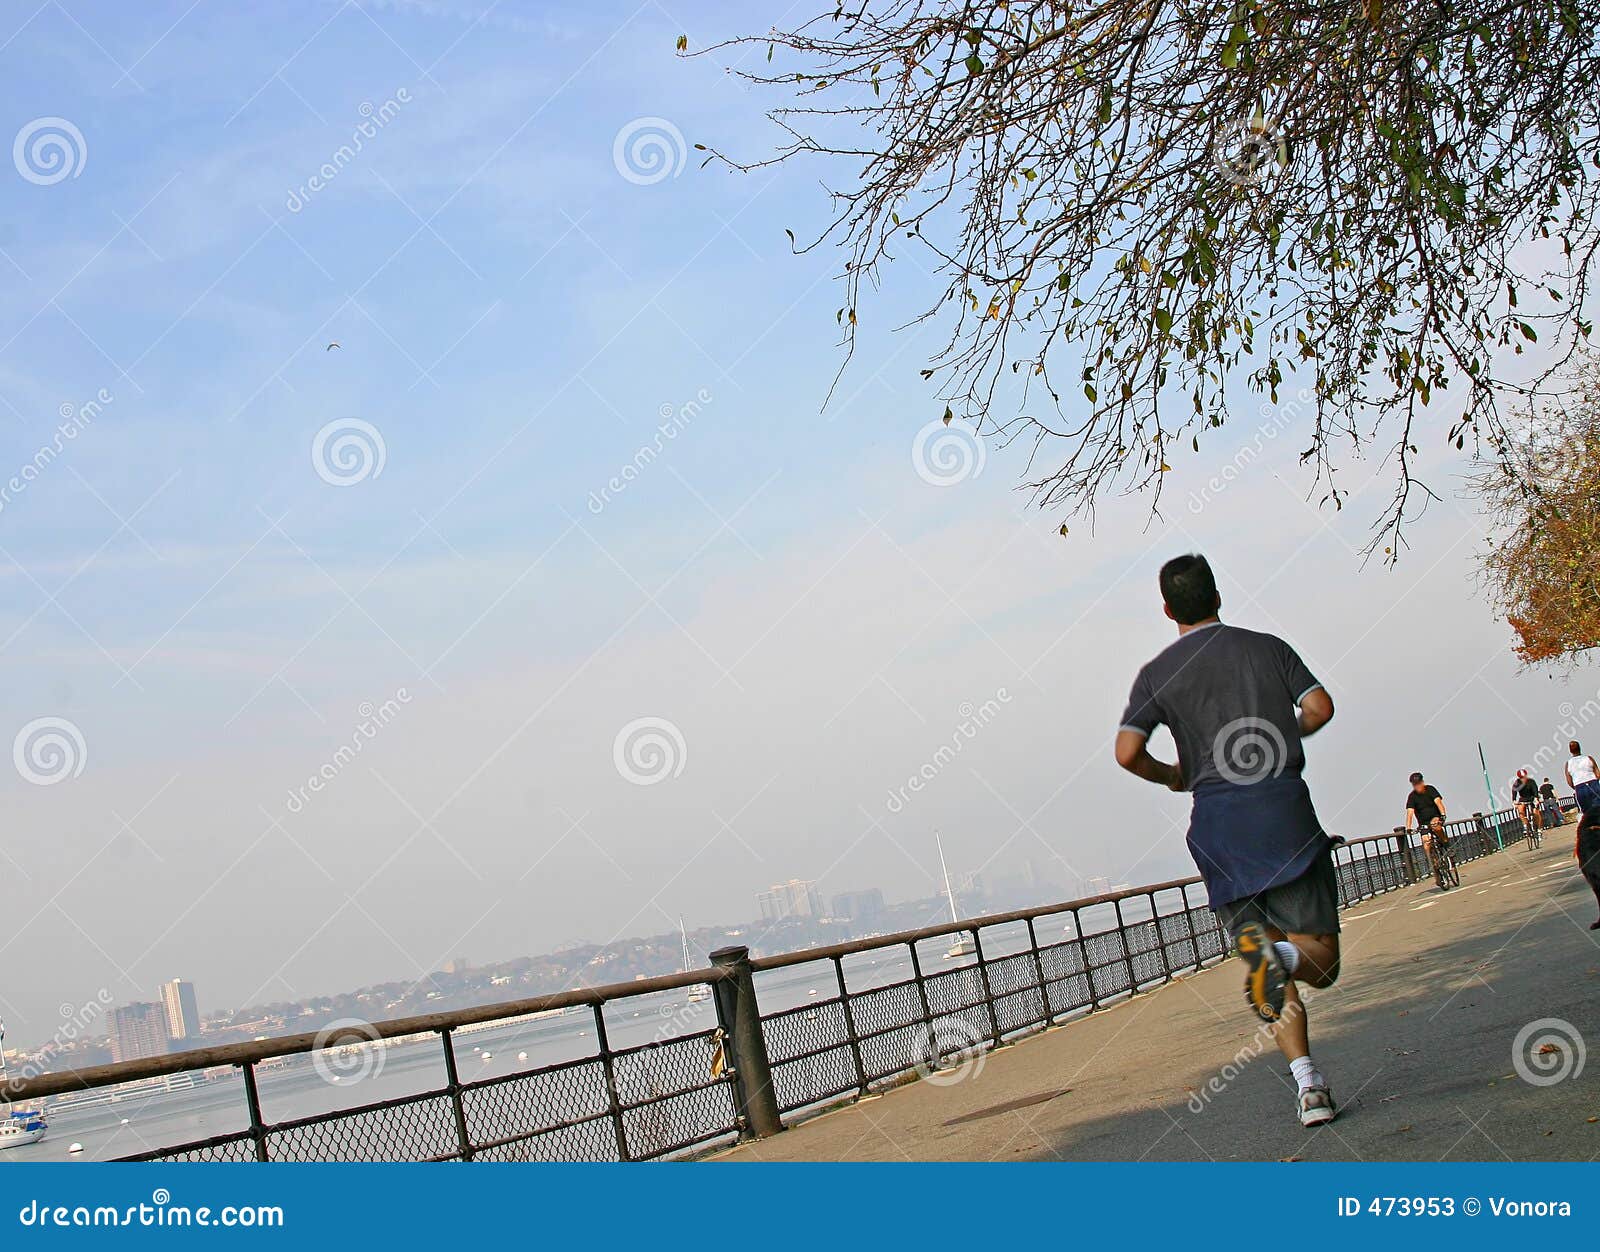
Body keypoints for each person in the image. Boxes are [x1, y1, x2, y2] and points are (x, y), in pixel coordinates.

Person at [1115, 554, 1340, 1129]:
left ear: (1167, 610)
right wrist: (1288, 732)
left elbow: (1127, 753)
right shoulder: (1267, 648)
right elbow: (1319, 708)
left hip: (1216, 834)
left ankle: (1309, 1087)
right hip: (1282, 817)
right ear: (1218, 594)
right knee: (1320, 962)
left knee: (1265, 960)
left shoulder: (1156, 673)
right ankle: (1281, 957)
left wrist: (1173, 775)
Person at [1403, 773, 1447, 875]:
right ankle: (1435, 868)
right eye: (1414, 784)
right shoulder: (1412, 797)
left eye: (1418, 783)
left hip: (1434, 817)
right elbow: (1410, 813)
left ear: (1422, 782)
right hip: (1423, 823)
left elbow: (1439, 802)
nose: (1417, 786)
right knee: (1426, 843)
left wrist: (1443, 815)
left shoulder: (1430, 789)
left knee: (1436, 826)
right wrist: (1408, 828)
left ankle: (1446, 844)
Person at [1566, 741, 1600, 823]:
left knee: (1587, 812)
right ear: (1580, 748)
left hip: (1579, 787)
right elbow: (1598, 774)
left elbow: (1569, 781)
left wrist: (1576, 787)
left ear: (1570, 751)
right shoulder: (1588, 758)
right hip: (1593, 784)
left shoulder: (1568, 763)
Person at [1513, 769, 1542, 839]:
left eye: (1524, 777)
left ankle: (1538, 828)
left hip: (1532, 797)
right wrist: (1514, 800)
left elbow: (1535, 789)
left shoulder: (1531, 781)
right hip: (1523, 798)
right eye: (1521, 778)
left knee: (1536, 813)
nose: (1523, 779)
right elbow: (1514, 791)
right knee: (1520, 809)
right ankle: (1525, 825)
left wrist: (1536, 798)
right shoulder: (1517, 783)